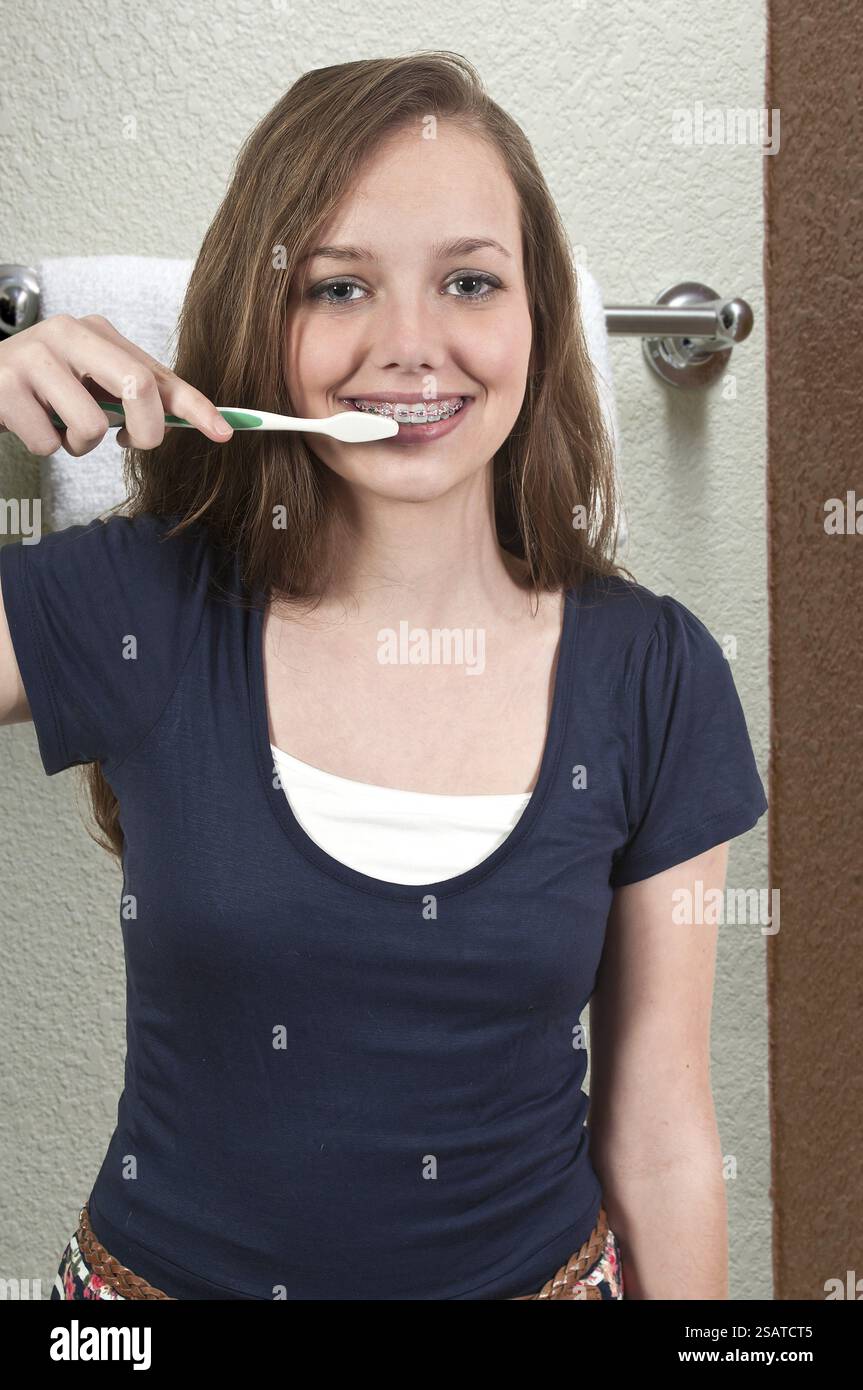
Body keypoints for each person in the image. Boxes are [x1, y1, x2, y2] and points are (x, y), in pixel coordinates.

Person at [0, 52, 766, 1301]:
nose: (411, 346)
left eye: (469, 281)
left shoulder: (653, 671)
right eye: (339, 286)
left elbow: (665, 1131)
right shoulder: (138, 599)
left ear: (538, 319)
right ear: (264, 324)